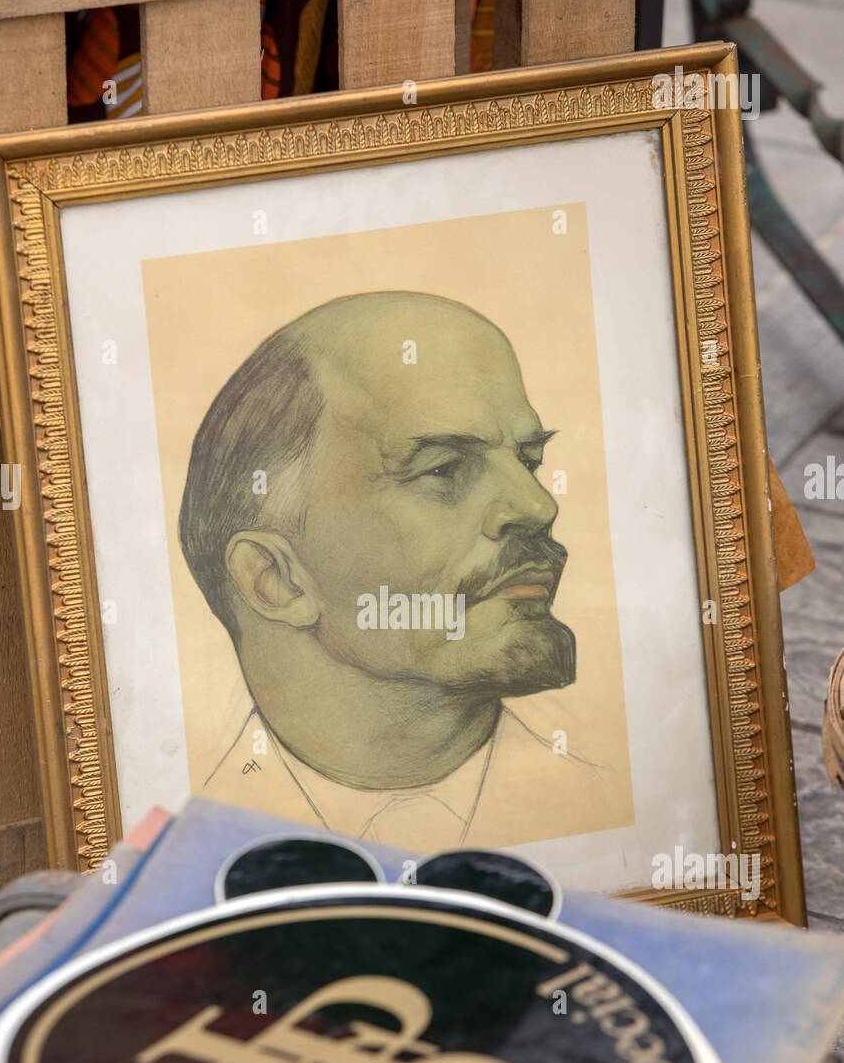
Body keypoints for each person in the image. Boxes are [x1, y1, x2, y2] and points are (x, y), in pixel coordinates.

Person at [180, 291, 612, 850]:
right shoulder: (185, 856)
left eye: (528, 461)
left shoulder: (610, 813)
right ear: (275, 579)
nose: (537, 505)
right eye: (445, 468)